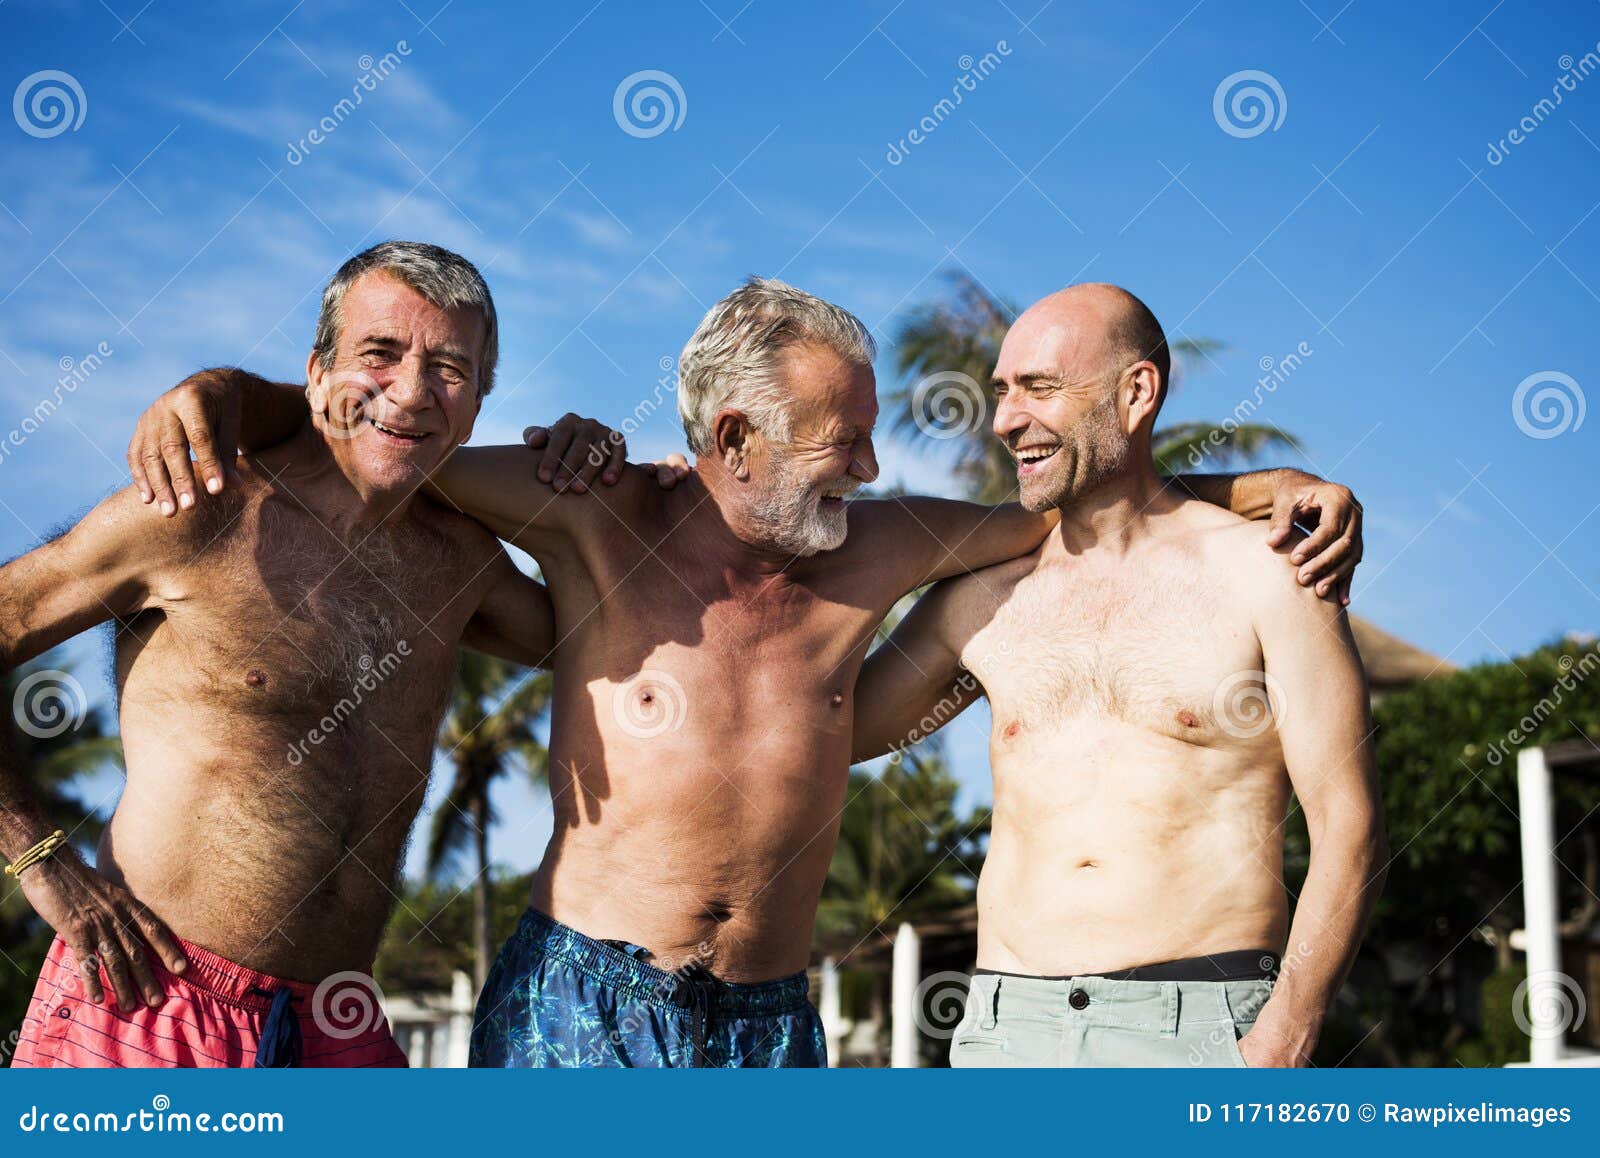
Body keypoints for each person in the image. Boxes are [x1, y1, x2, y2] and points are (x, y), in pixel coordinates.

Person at [130, 276, 1364, 1067]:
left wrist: (1255, 489)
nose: (871, 470)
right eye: (844, 443)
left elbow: (1087, 506)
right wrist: (223, 396)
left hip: (772, 1019)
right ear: (735, 438)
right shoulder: (595, 512)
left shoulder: (882, 545)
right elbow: (387, 442)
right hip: (584, 1002)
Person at [2, 241, 635, 1068]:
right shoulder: (197, 513)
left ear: (481, 399)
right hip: (150, 1000)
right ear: (315, 372)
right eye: (379, 353)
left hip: (339, 1024)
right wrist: (42, 861)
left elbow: (613, 640)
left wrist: (586, 484)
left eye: (450, 369)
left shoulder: (460, 563)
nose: (411, 391)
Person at [852, 283, 1385, 1067]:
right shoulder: (981, 602)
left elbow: (1349, 822)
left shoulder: (1268, 574)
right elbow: (831, 732)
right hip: (1007, 1031)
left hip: (1201, 1025)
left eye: (1039, 388)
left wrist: (1290, 1027)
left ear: (1137, 393)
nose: (1004, 420)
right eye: (1002, 392)